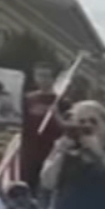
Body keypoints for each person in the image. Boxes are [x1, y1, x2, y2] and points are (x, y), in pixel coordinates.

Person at [20, 62, 63, 192]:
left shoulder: (62, 101)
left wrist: (57, 115)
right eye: (39, 75)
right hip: (28, 152)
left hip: (49, 153)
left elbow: (66, 129)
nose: (42, 80)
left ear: (53, 79)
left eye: (46, 76)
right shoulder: (27, 99)